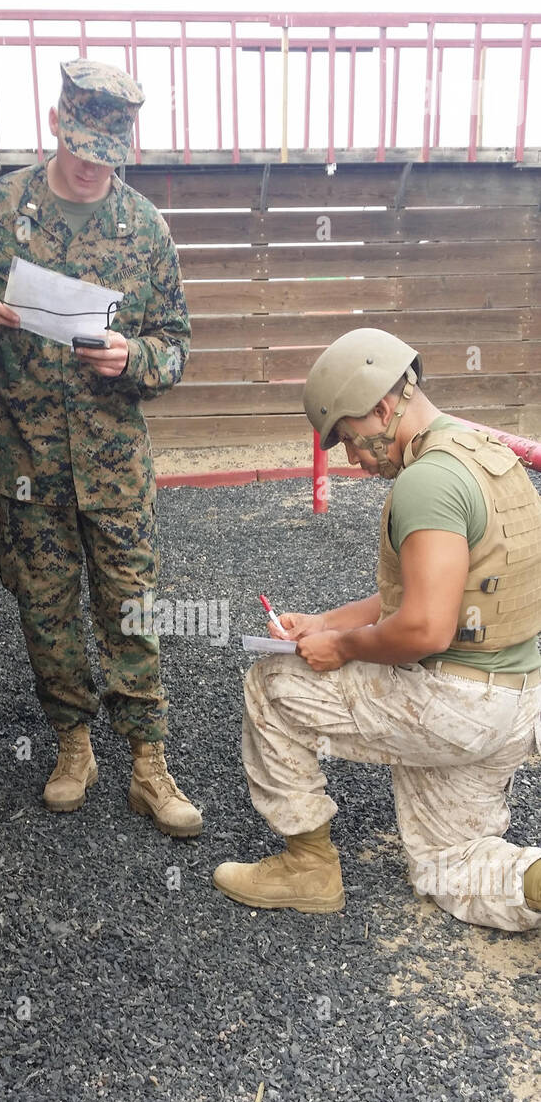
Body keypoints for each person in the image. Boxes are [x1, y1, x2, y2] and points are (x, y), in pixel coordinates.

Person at [0, 59, 202, 838]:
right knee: (44, 609)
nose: (90, 167)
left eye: (106, 155)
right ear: (55, 123)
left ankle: (148, 762)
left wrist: (133, 358)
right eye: (81, 148)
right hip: (25, 460)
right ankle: (71, 745)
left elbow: (175, 346)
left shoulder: (146, 230)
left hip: (113, 464)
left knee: (131, 607)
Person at [213, 328, 541, 931]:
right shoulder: (484, 455)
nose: (351, 459)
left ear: (382, 410)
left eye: (346, 438)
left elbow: (423, 627)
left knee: (269, 684)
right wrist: (325, 622)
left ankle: (307, 867)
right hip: (514, 702)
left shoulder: (429, 482)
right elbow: (427, 592)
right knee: (450, 867)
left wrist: (339, 647)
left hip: (454, 702)